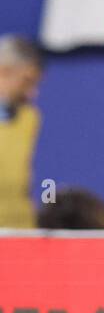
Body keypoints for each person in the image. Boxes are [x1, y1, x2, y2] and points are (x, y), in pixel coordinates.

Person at [0, 34, 43, 229]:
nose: (32, 93)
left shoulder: (30, 118)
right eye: (27, 81)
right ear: (4, 71)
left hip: (21, 234)